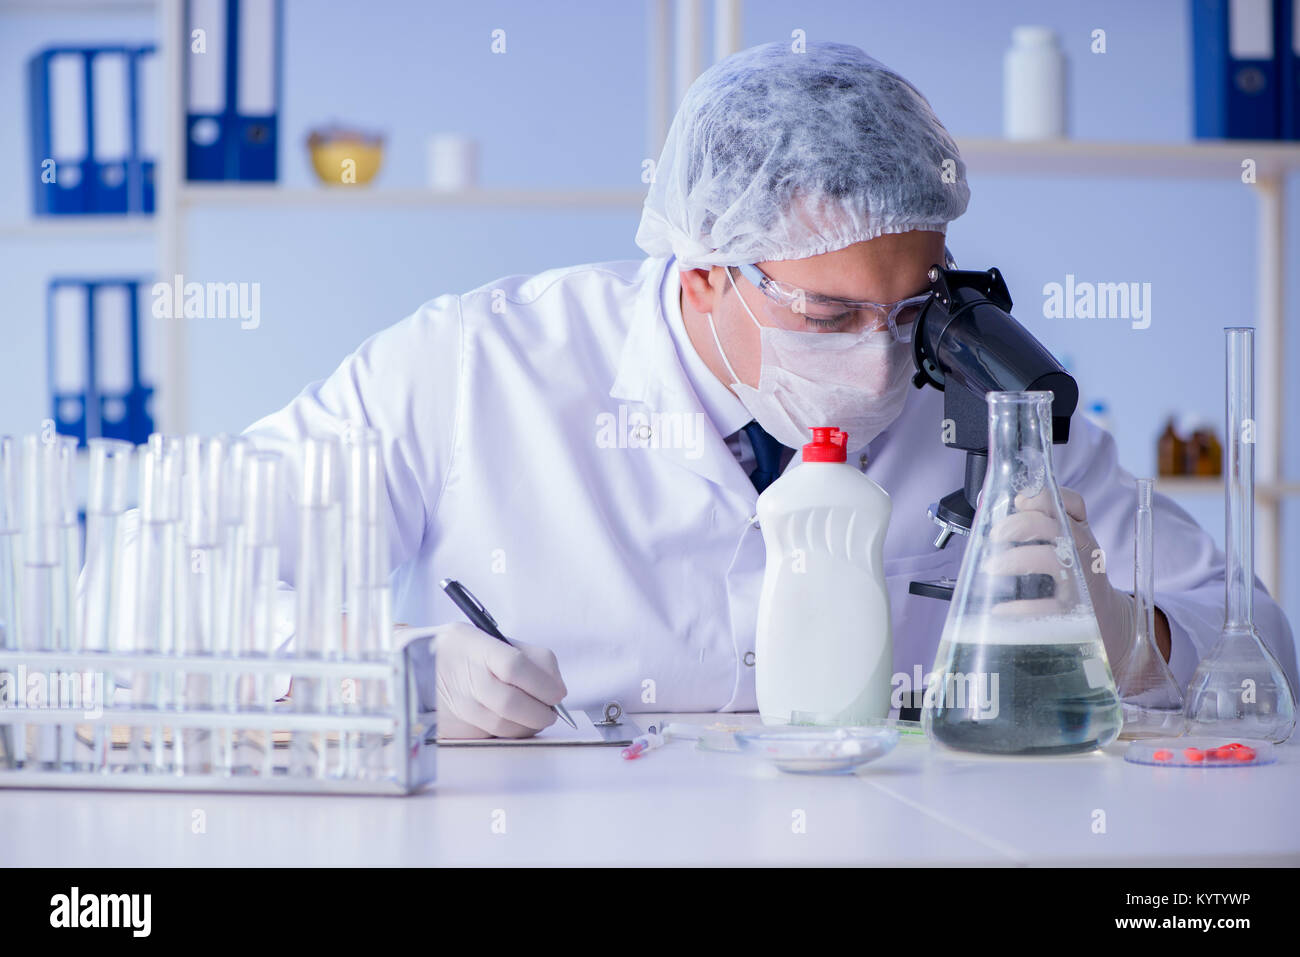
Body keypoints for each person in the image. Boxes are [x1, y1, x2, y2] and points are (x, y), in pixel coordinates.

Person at [237, 42, 1293, 738]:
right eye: (827, 316)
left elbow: (1264, 643)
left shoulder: (985, 394)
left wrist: (1134, 636)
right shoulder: (470, 368)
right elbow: (182, 580)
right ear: (704, 269)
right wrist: (397, 672)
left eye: (912, 307)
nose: (884, 362)